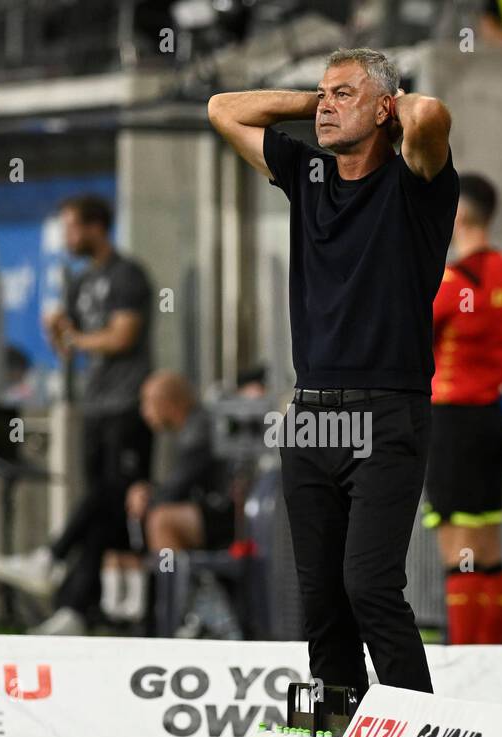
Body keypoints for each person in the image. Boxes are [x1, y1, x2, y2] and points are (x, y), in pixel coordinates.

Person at [208, 47, 459, 697]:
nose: (324, 105)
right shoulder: (307, 173)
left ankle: (417, 736)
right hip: (312, 416)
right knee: (320, 600)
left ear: (384, 108)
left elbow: (428, 112)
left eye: (342, 94)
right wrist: (318, 101)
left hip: (388, 411)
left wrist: (383, 102)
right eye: (322, 94)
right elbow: (222, 109)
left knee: (371, 585)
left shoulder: (417, 183)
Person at [0, 195, 155, 633]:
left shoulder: (127, 275)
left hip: (127, 405)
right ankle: (78, 609)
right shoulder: (79, 282)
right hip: (95, 405)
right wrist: (58, 332)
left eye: (72, 228)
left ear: (97, 226)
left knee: (111, 496)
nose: (67, 237)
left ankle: (55, 560)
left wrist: (79, 339)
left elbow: (122, 337)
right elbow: (68, 345)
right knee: (103, 507)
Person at [423, 172, 502, 644]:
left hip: (451, 420)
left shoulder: (453, 280)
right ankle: (493, 658)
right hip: (493, 417)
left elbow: (406, 337)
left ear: (459, 215)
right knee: (488, 546)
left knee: (457, 546)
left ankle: (463, 662)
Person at [127, 371, 234, 556]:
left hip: (228, 513)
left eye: (148, 402)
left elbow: (177, 488)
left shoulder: (199, 430)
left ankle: (169, 581)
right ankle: (170, 579)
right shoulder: (187, 429)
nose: (143, 412)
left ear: (169, 402)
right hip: (213, 509)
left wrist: (148, 498)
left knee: (162, 521)